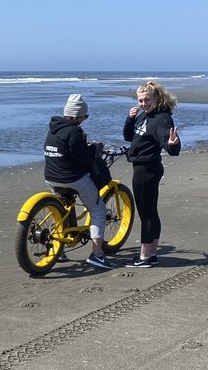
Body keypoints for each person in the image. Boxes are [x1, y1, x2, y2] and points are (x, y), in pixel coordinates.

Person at [44, 93, 115, 270]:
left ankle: (58, 249)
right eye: (85, 116)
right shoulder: (74, 131)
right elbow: (83, 159)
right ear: (78, 116)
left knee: (62, 209)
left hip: (51, 177)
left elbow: (68, 152)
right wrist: (95, 149)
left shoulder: (54, 129)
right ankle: (97, 255)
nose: (85, 120)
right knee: (98, 210)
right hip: (72, 179)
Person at [122, 80, 181, 267]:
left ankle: (145, 257)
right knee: (150, 213)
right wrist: (130, 119)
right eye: (140, 100)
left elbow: (171, 147)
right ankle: (151, 254)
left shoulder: (162, 119)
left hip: (147, 169)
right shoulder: (143, 116)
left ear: (157, 98)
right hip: (141, 168)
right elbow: (129, 137)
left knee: (147, 214)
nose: (143, 103)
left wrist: (173, 144)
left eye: (146, 99)